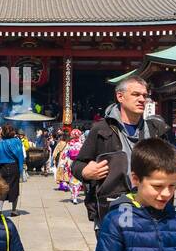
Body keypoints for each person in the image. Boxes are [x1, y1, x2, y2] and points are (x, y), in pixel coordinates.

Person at [72, 77, 170, 227]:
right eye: (136, 94)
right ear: (120, 97)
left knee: (145, 248)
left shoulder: (156, 130)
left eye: (144, 95)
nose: (142, 99)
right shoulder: (102, 129)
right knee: (117, 247)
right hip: (116, 204)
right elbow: (77, 164)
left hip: (151, 204)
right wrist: (86, 172)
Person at [0, 125, 25, 216]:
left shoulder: (0, 142)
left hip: (1, 168)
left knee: (1, 189)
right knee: (14, 189)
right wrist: (20, 170)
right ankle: (14, 210)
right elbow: (20, 156)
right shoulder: (17, 141)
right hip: (13, 167)